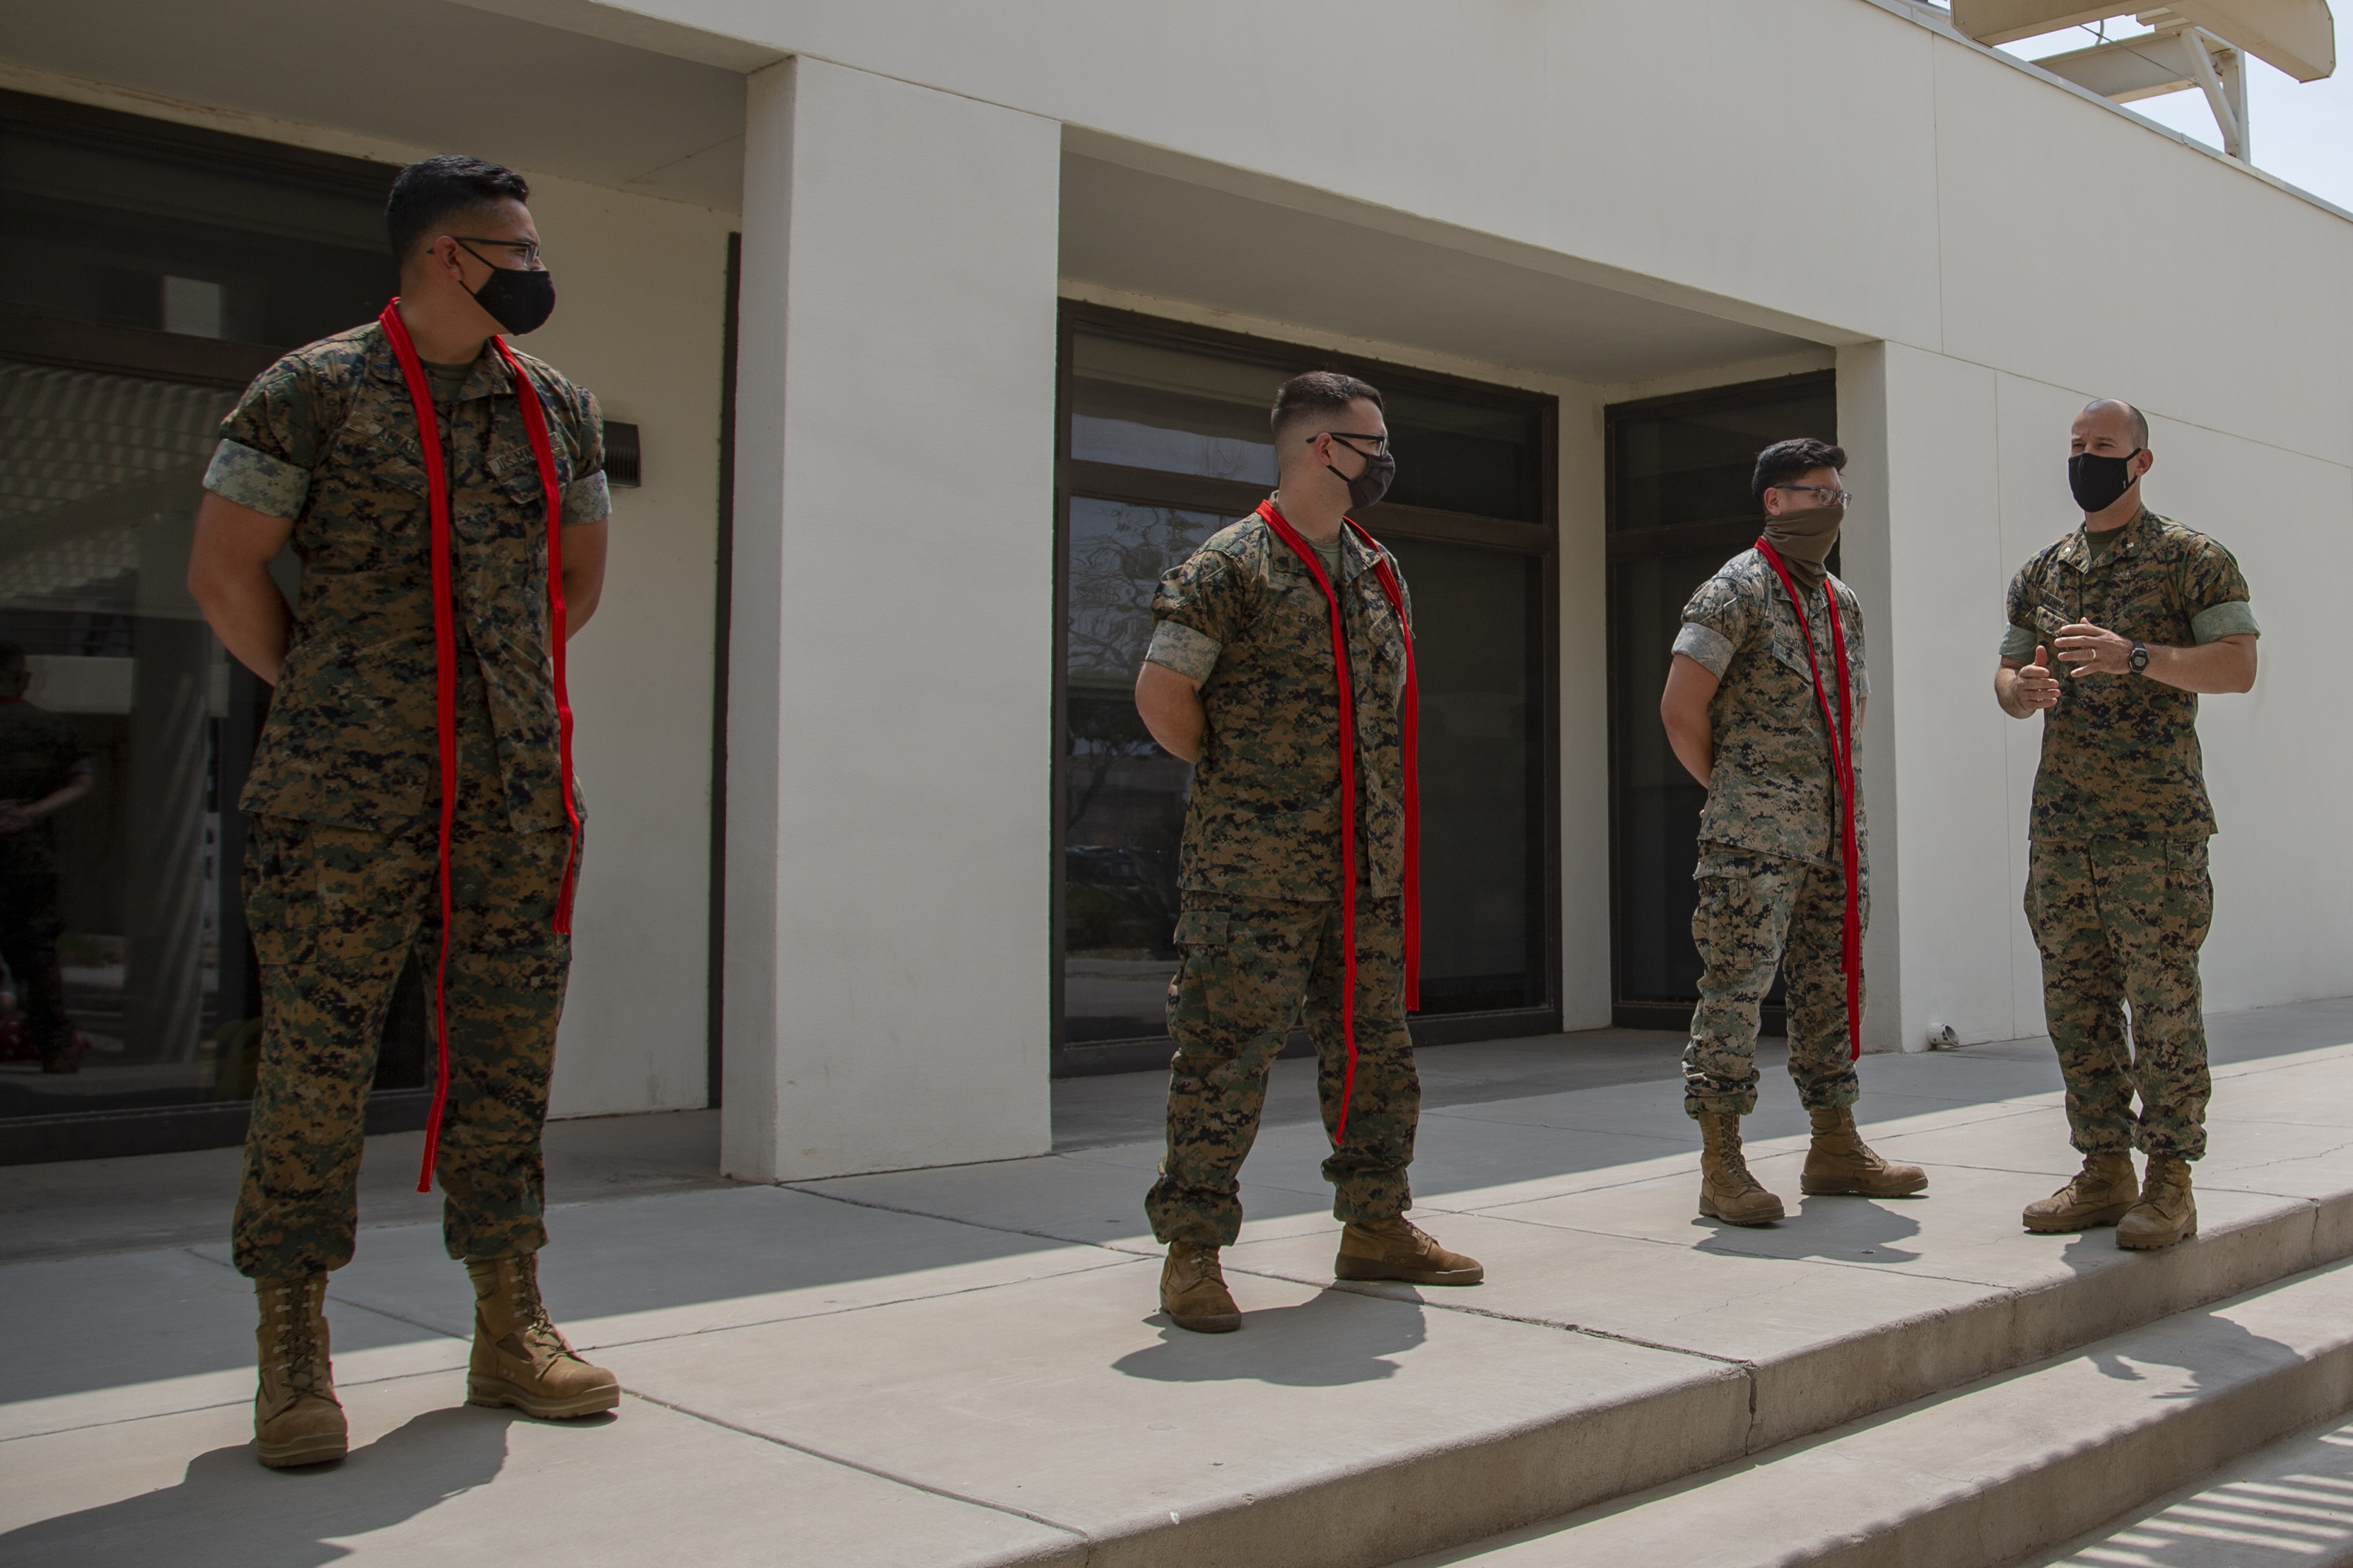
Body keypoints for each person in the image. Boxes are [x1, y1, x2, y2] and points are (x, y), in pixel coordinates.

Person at [187, 154, 616, 1468]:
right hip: (344, 798)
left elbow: (574, 583)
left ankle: (508, 1318)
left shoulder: (556, 409)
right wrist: (335, 694)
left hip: (513, 793)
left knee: (504, 1057)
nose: (536, 268)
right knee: (319, 1066)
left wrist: (493, 712)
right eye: (515, 246)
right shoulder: (312, 391)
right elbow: (224, 570)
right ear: (446, 254)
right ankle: (292, 1347)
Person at [1133, 370, 1481, 1333]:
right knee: (1223, 1055)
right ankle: (1193, 1251)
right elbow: (1163, 696)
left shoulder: (1376, 566)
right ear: (1318, 447)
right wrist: (1252, 784)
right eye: (1371, 441)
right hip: (1254, 873)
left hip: (1363, 871)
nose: (1384, 458)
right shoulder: (1229, 566)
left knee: (1377, 1052)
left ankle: (1375, 1221)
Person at [1997, 399, 2258, 1251]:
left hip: (2154, 828)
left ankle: (2170, 1178)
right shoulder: (2043, 570)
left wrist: (2134, 656)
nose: (2084, 459)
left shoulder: (2191, 560)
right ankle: (2103, 1167)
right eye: (2075, 446)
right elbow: (2005, 672)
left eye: (2101, 447)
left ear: (2139, 462)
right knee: (2074, 1002)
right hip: (2062, 827)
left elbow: (2237, 666)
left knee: (2161, 1003)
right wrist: (2020, 693)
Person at [1658, 438, 1926, 1227]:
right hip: (1752, 836)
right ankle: (1721, 1162)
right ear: (1773, 501)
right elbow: (1680, 709)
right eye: (1817, 493)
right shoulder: (1732, 590)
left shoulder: (1839, 600)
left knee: (1832, 987)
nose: (1832, 506)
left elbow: (1855, 705)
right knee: (1736, 992)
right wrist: (1743, 792)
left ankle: (1835, 1144)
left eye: (1838, 492)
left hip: (1835, 829)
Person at [0, 643, 94, 1075]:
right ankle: (56, 1046)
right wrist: (29, 813)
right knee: (37, 956)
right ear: (22, 678)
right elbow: (81, 782)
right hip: (27, 854)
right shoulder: (50, 727)